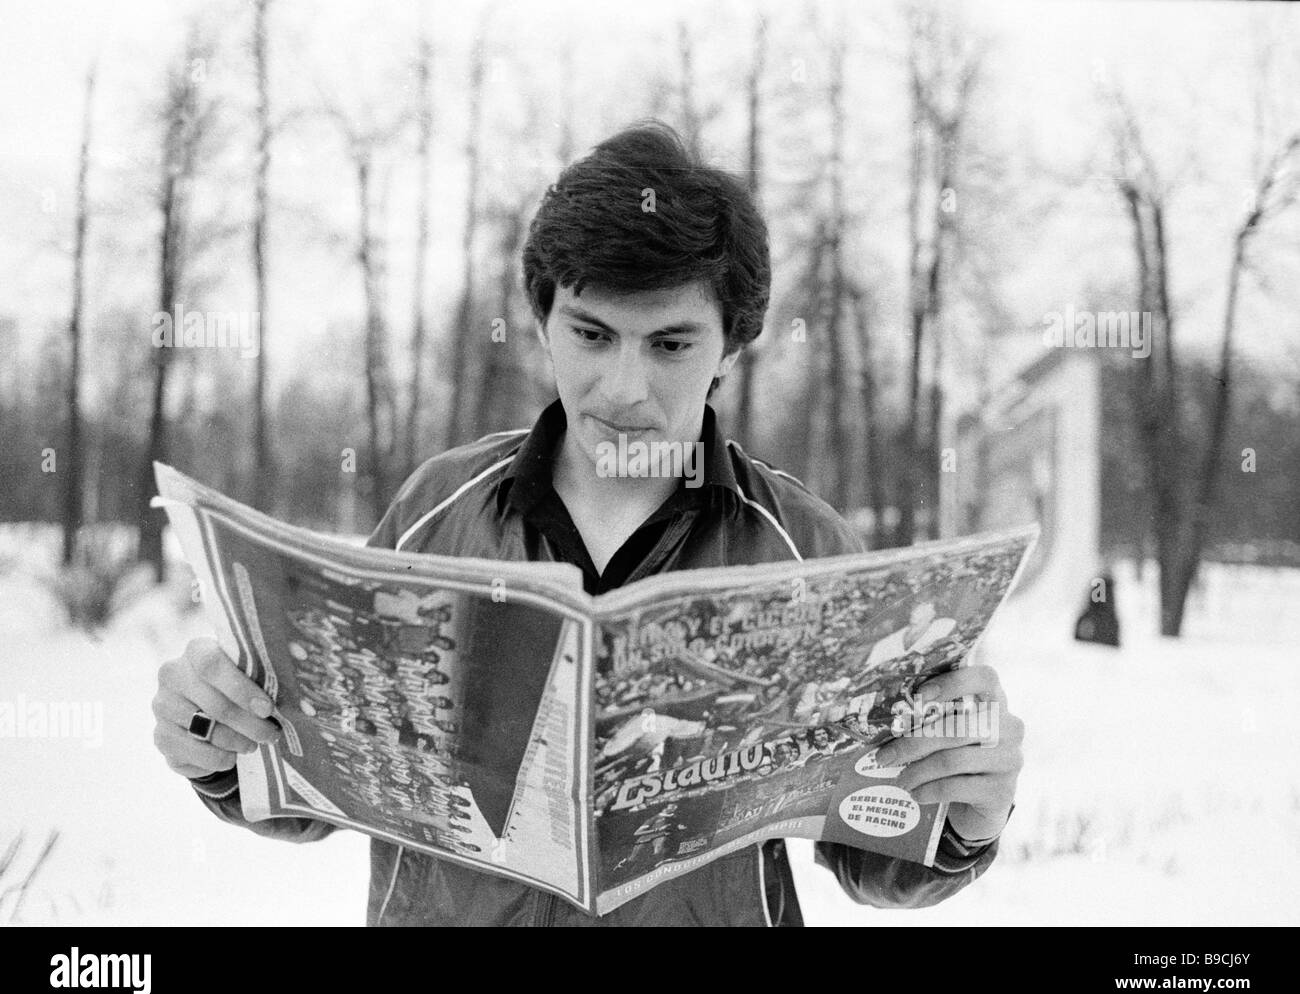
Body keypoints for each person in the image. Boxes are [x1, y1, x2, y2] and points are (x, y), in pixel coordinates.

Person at [151, 120, 1024, 927]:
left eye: (671, 344)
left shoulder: (802, 547)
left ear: (731, 343)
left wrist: (964, 812)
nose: (623, 391)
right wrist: (223, 749)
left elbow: (872, 845)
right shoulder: (437, 512)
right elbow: (328, 782)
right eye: (593, 334)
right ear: (543, 320)